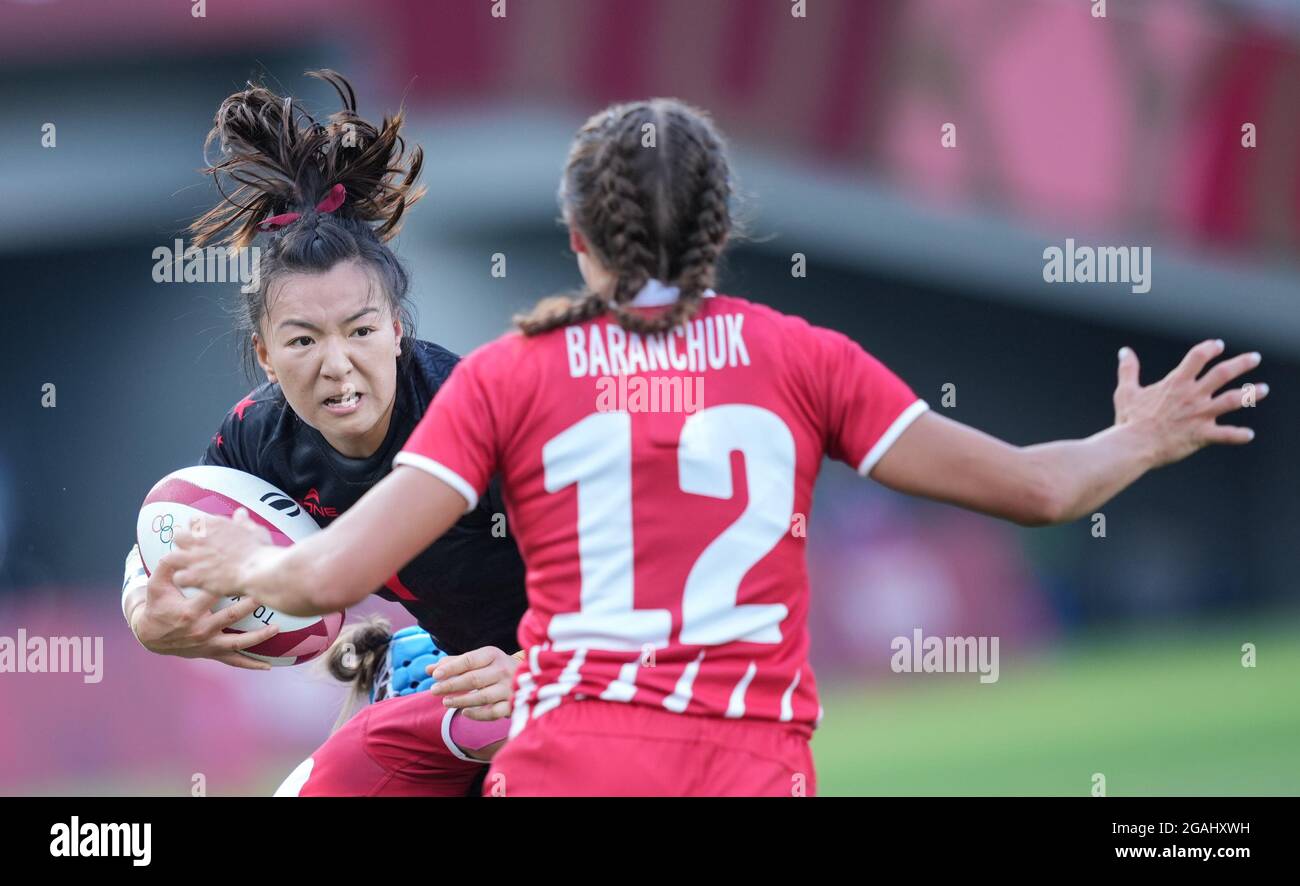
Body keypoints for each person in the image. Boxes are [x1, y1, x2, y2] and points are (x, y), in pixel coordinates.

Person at [166, 98, 1269, 796]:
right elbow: (1036, 486)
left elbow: (326, 572)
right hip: (749, 766)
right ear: (723, 228)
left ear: (579, 240)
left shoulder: (515, 374)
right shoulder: (802, 360)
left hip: (566, 751)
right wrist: (1136, 436)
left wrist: (238, 572)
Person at [122, 71, 525, 795]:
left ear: (399, 331)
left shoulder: (484, 419)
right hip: (466, 687)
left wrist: (530, 670)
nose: (338, 366)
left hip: (579, 684)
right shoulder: (260, 437)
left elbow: (639, 593)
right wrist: (146, 616)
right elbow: (169, 536)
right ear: (266, 356)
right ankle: (414, 668)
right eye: (303, 341)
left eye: (362, 330)